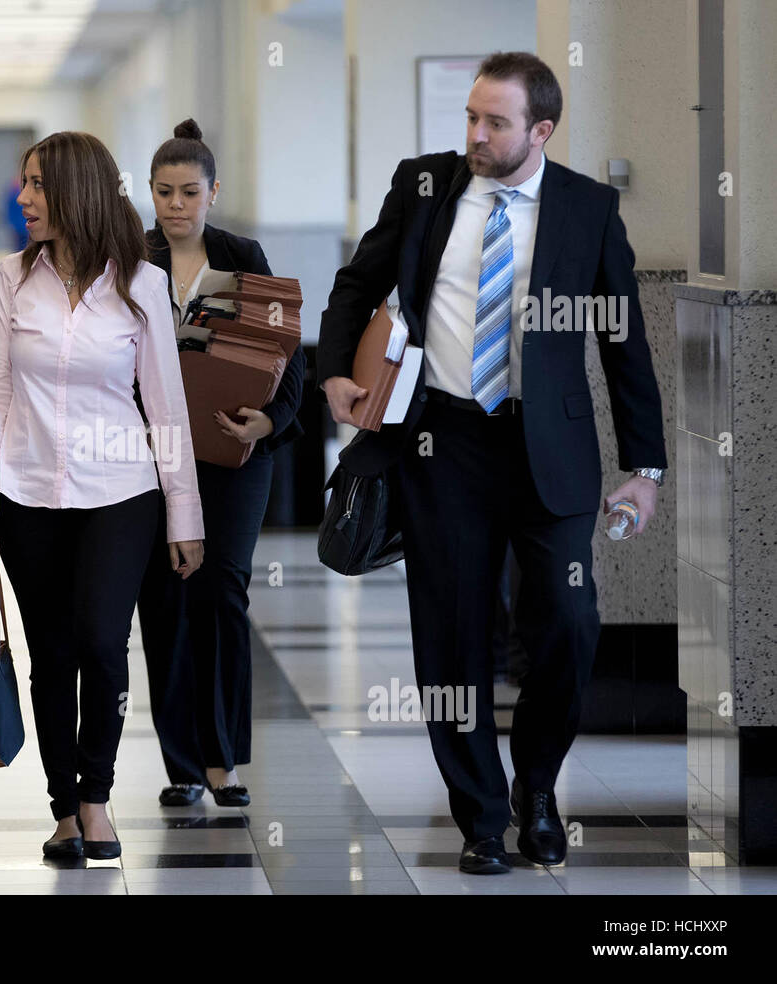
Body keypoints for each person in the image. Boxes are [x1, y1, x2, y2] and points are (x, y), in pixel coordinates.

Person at [317, 52, 666, 874]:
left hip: (551, 452)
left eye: (495, 122)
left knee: (568, 623)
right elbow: (355, 283)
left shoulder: (587, 208)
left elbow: (623, 342)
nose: (475, 134)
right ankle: (479, 817)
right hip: (445, 447)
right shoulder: (425, 188)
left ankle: (536, 789)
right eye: (471, 117)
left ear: (540, 130)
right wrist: (334, 366)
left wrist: (645, 470)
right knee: (451, 639)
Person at [0, 131, 205, 860]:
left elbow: (166, 406)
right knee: (53, 656)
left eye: (37, 185)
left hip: (121, 491)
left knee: (104, 643)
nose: (24, 199)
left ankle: (97, 798)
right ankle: (63, 809)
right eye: (24, 183)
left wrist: (184, 514)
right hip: (30, 492)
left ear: (78, 192)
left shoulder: (140, 283)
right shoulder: (12, 278)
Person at [136, 119, 305, 808]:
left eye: (189, 193)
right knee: (165, 598)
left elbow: (282, 350)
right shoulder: (129, 256)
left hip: (234, 453)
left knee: (221, 593)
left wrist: (272, 420)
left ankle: (223, 760)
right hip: (152, 457)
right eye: (164, 193)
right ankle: (181, 764)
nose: (175, 206)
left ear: (213, 193)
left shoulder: (242, 254)